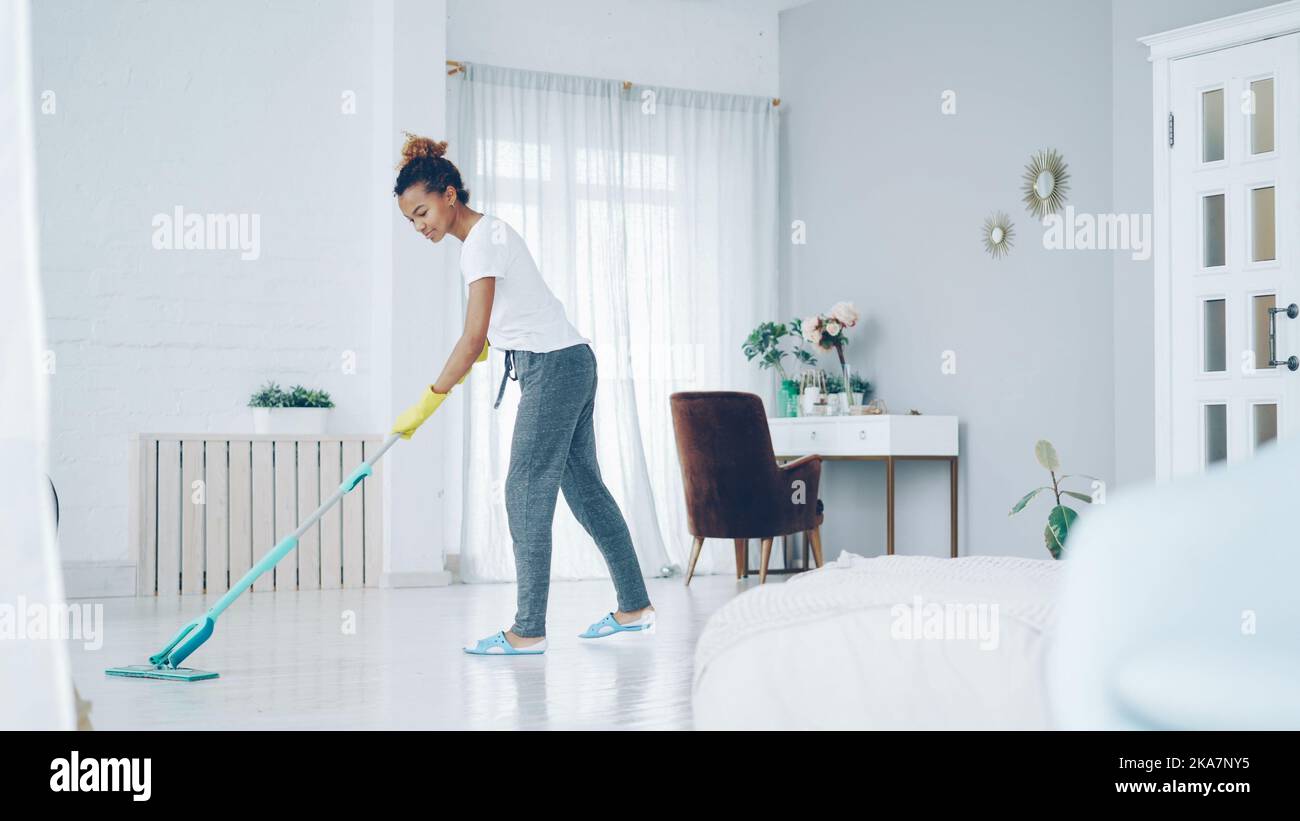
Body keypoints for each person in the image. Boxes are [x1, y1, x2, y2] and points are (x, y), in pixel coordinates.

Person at [390, 134, 655, 655]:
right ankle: (635, 606)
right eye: (411, 220)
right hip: (570, 361)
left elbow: (471, 340)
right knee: (585, 492)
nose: (420, 226)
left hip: (554, 368)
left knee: (525, 491)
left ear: (448, 194)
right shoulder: (488, 237)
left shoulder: (482, 242)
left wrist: (425, 403)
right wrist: (498, 341)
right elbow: (499, 325)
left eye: (422, 211)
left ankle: (528, 629)